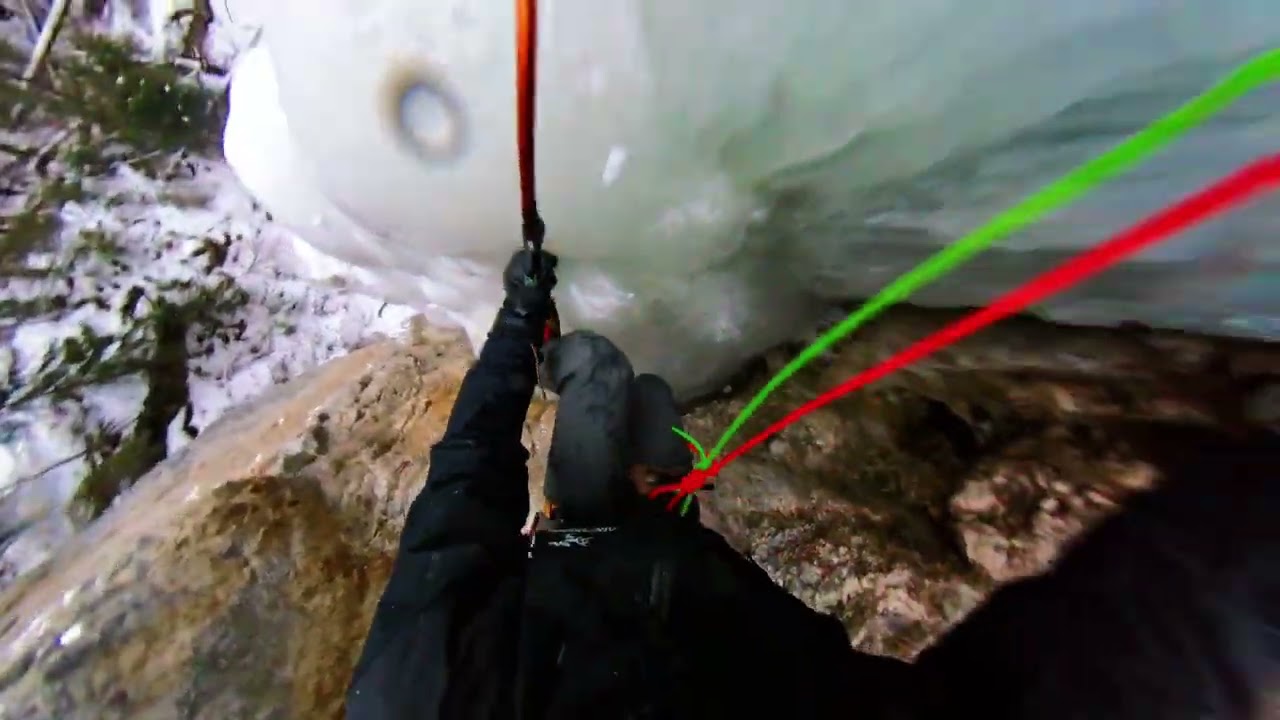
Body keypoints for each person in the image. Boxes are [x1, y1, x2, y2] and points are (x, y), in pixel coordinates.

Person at [347, 249, 1280, 719]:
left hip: (605, 547)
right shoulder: (404, 681)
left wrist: (520, 324)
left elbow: (470, 461)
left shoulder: (410, 678)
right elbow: (468, 463)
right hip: (688, 601)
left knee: (604, 376)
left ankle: (608, 420)